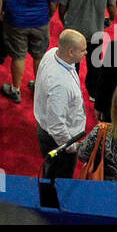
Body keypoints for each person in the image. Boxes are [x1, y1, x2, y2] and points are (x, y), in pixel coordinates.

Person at [57, 0, 115, 99]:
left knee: (70, 64)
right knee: (95, 63)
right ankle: (93, 93)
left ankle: (71, 91)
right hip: (95, 31)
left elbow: (62, 6)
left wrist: (64, 21)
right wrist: (110, 19)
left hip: (74, 31)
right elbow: (112, 6)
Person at [33, 29, 88, 179]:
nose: (86, 53)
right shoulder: (60, 85)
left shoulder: (52, 53)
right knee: (59, 178)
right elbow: (56, 125)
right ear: (71, 52)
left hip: (47, 128)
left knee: (51, 170)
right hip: (58, 141)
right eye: (83, 50)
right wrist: (70, 146)